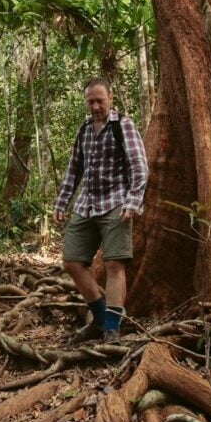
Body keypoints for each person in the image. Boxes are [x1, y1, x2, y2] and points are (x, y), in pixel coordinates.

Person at [53, 76, 148, 344]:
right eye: (91, 101)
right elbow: (74, 170)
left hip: (116, 203)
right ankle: (98, 318)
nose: (95, 106)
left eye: (100, 101)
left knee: (114, 264)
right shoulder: (84, 130)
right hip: (86, 204)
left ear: (110, 99)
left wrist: (133, 201)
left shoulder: (124, 126)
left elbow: (139, 167)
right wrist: (62, 202)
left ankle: (112, 329)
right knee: (72, 261)